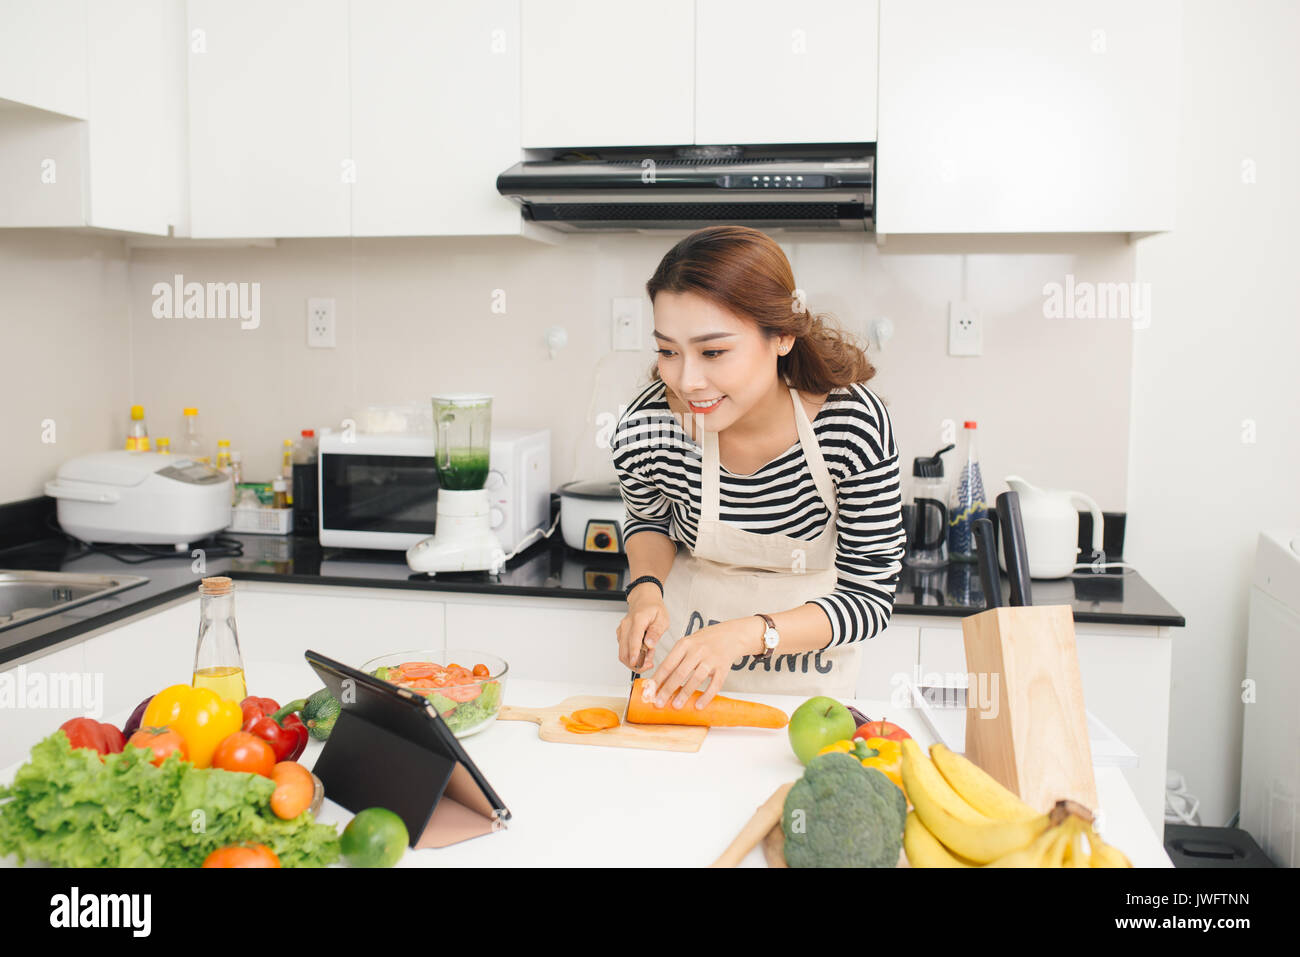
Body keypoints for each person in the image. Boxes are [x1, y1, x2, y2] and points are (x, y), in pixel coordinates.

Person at [611, 225, 906, 712]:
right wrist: (644, 591)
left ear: (783, 336)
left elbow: (870, 598)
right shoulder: (648, 428)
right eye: (668, 351)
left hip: (808, 688)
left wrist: (745, 635)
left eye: (713, 352)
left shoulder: (851, 426)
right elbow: (649, 520)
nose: (687, 381)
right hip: (676, 675)